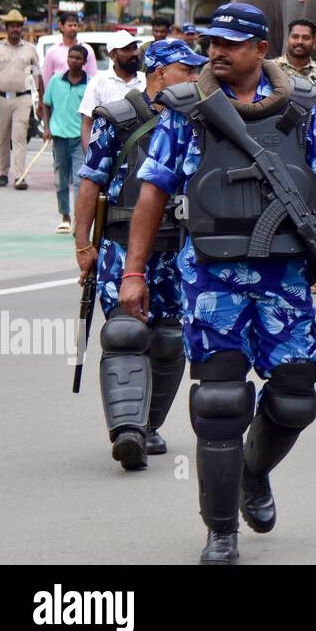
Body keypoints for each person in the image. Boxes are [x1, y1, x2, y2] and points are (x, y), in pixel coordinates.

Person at [122, 1, 316, 564]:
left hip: (284, 275)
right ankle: (220, 530)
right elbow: (153, 192)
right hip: (211, 279)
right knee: (220, 400)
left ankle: (252, 476)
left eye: (231, 43)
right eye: (212, 42)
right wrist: (133, 273)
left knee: (297, 395)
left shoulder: (300, 108)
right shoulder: (185, 110)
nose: (217, 52)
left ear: (262, 50)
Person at [74, 38, 208, 470]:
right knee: (126, 333)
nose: (193, 77)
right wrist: (83, 246)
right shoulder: (116, 119)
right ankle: (127, 431)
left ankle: (149, 427)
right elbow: (91, 182)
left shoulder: (197, 120)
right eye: (185, 70)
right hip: (121, 245)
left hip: (177, 248)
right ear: (159, 72)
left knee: (170, 339)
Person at [0, 8, 43, 189]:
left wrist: (40, 100)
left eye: (18, 26)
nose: (15, 29)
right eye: (12, 26)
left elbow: (37, 76)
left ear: (22, 28)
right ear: (7, 28)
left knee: (19, 136)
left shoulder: (30, 50)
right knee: (2, 137)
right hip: (0, 98)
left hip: (23, 99)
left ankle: (20, 175)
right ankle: (2, 173)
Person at [273, 18, 316, 161]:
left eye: (305, 38)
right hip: (274, 145)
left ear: (314, 43)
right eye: (295, 36)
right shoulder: (270, 70)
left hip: (312, 150)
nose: (299, 41)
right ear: (288, 40)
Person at [42, 43, 90, 233]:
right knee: (61, 180)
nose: (73, 61)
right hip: (59, 136)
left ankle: (79, 219)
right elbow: (46, 104)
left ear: (85, 62)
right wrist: (46, 127)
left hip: (80, 139)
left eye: (78, 58)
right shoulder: (55, 80)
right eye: (71, 57)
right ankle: (65, 216)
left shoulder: (90, 83)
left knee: (79, 180)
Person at [78, 30, 146, 149]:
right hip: (108, 154)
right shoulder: (98, 82)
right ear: (113, 55)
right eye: (127, 49)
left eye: (135, 48)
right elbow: (87, 122)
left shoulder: (146, 81)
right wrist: (89, 159)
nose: (133, 53)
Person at [42, 11, 98, 84]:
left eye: (75, 25)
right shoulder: (52, 52)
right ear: (61, 27)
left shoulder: (87, 50)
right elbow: (46, 79)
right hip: (59, 93)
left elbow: (92, 77)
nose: (73, 28)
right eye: (70, 25)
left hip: (82, 93)